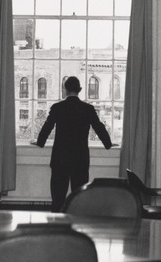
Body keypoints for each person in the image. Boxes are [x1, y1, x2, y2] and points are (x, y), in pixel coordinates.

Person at [35, 76, 113, 211]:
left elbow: (47, 126)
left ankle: (57, 225)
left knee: (58, 198)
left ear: (65, 90)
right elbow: (98, 127)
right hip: (80, 158)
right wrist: (108, 143)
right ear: (80, 90)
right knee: (80, 198)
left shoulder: (57, 107)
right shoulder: (87, 109)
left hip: (60, 158)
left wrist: (40, 142)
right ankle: (78, 226)